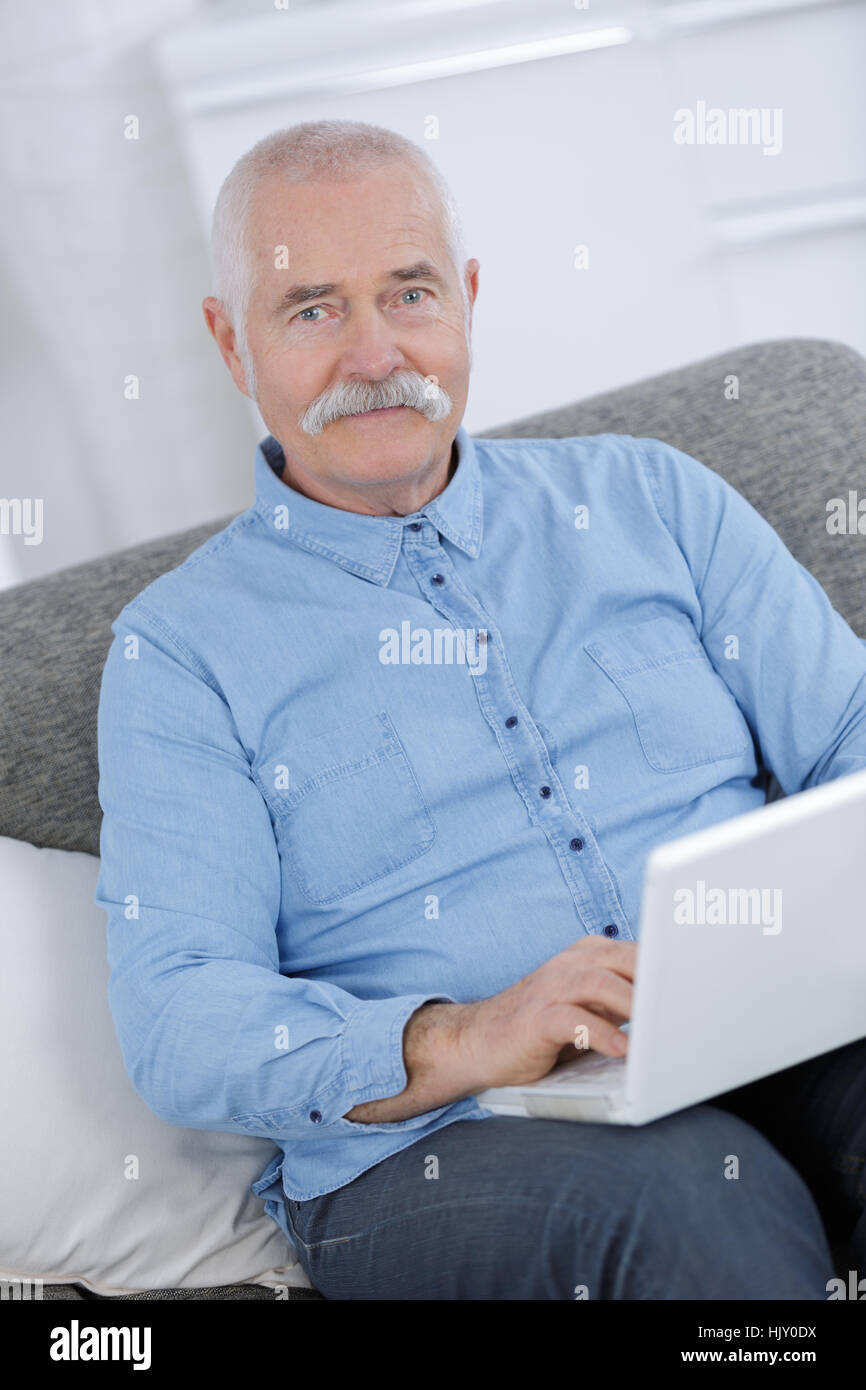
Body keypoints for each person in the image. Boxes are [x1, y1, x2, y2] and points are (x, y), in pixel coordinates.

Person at [95, 119, 866, 1300]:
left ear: (462, 295)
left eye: (406, 292)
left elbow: (846, 733)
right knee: (698, 1210)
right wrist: (460, 1034)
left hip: (765, 1028)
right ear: (227, 341)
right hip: (439, 1144)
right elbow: (180, 1011)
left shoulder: (651, 498)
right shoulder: (178, 653)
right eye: (311, 308)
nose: (373, 353)